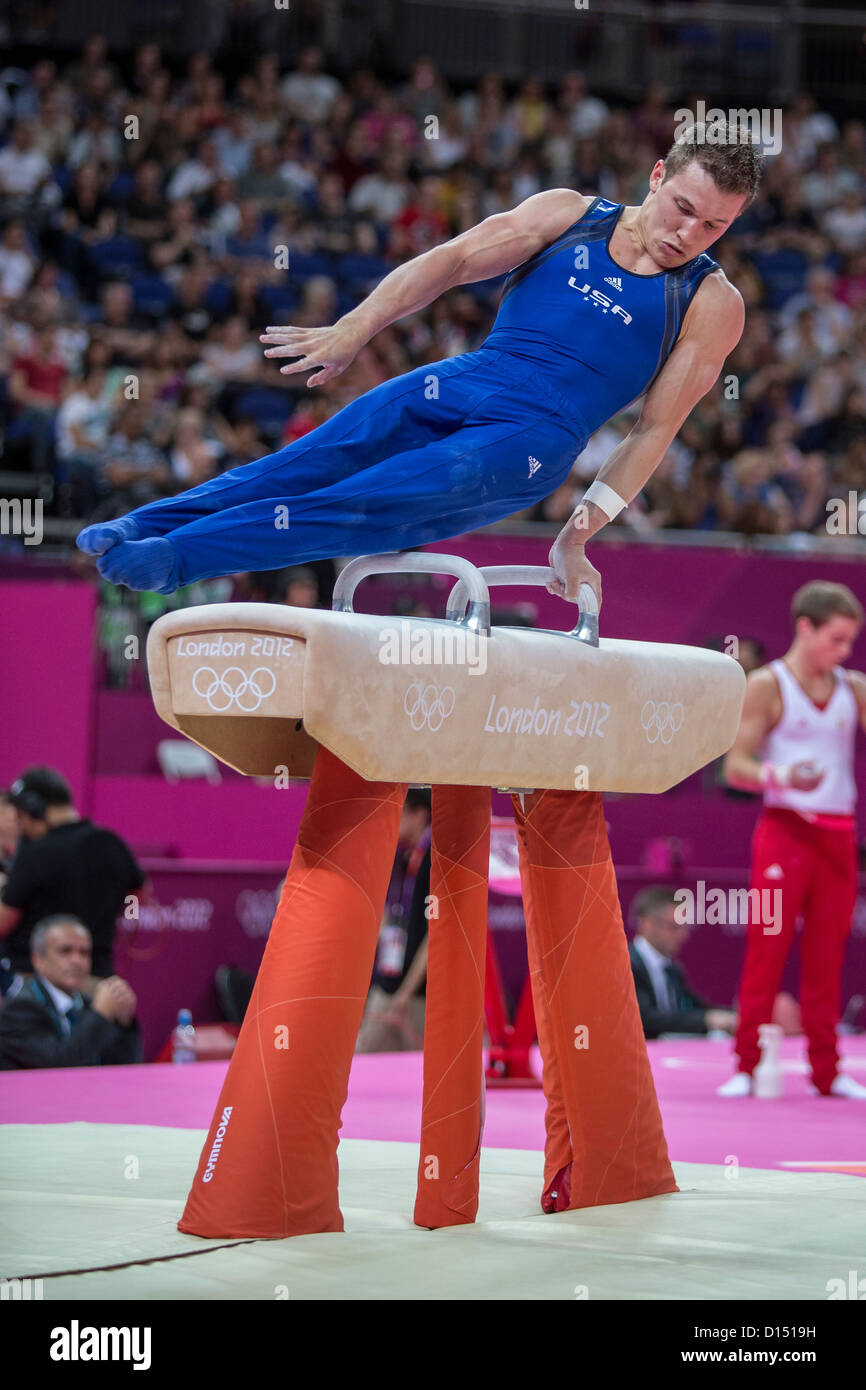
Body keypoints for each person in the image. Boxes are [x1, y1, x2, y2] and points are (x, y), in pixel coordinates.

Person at [76, 119, 758, 608]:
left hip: (533, 441)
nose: (686, 234)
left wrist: (575, 538)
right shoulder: (570, 214)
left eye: (714, 227)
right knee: (299, 464)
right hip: (467, 376)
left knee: (354, 504)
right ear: (658, 175)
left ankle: (177, 562)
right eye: (684, 209)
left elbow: (652, 433)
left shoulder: (709, 301)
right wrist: (356, 328)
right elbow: (452, 260)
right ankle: (148, 523)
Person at [721, 581, 866, 1099]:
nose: (845, 652)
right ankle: (746, 1064)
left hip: (838, 837)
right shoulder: (767, 685)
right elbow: (735, 767)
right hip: (785, 833)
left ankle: (827, 1071)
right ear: (805, 628)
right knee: (768, 950)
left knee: (829, 957)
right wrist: (781, 775)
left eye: (851, 642)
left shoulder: (853, 688)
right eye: (837, 639)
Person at [0, 766, 148, 983]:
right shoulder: (112, 842)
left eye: (20, 815)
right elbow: (140, 893)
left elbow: (3, 923)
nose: (20, 825)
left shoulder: (35, 852)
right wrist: (112, 908)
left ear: (34, 808)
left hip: (38, 986)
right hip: (102, 984)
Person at [0, 915, 142, 1069]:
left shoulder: (88, 1004)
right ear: (38, 959)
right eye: (65, 951)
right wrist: (100, 1015)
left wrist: (124, 1023)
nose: (77, 960)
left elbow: (125, 1068)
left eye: (84, 953)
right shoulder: (19, 1010)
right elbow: (57, 1065)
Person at [356, 789, 432, 1052]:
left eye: (399, 812)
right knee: (362, 1056)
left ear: (419, 815)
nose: (391, 820)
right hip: (387, 982)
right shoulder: (401, 856)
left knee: (424, 1073)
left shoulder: (436, 860)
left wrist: (406, 994)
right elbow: (388, 915)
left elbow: (435, 935)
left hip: (419, 995)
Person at [629, 886, 738, 1039]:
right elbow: (645, 1018)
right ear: (647, 924)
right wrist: (708, 1020)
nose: (683, 935)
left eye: (684, 927)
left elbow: (697, 1007)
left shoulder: (672, 969)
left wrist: (738, 1016)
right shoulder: (627, 966)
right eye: (674, 927)